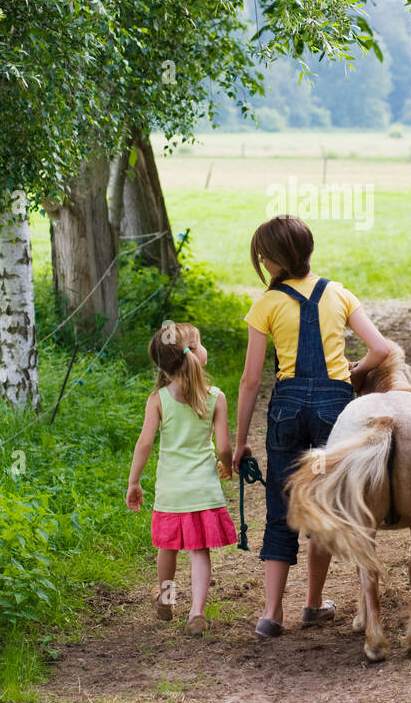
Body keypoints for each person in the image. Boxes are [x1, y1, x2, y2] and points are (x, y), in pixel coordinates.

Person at [234, 215, 390, 637]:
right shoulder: (338, 293)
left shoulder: (266, 304)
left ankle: (271, 614)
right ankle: (314, 603)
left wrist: (240, 441)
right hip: (332, 411)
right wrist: (354, 373)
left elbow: (250, 381)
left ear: (271, 261)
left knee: (281, 508)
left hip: (285, 409)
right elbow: (381, 349)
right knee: (320, 504)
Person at [126, 321, 236, 635]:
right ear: (192, 355)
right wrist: (225, 465)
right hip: (202, 490)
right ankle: (197, 613)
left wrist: (134, 481)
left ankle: (166, 599)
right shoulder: (216, 397)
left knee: (168, 549)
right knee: (199, 551)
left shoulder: (158, 400)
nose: (204, 350)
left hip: (171, 492)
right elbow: (224, 446)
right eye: (200, 345)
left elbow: (144, 443)